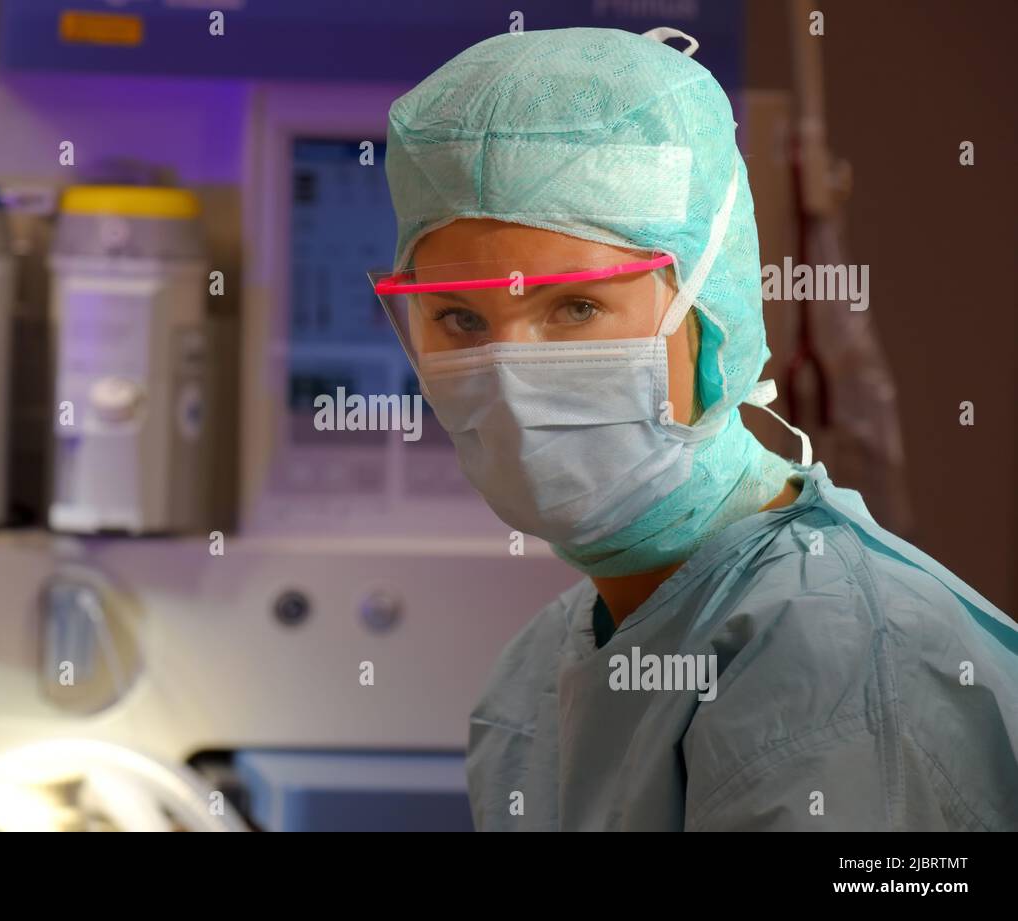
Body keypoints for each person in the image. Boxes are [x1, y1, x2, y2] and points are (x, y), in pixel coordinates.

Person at [374, 26, 1018, 831]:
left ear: (709, 315)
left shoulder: (835, 657)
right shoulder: (539, 676)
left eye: (576, 307)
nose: (510, 371)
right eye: (460, 319)